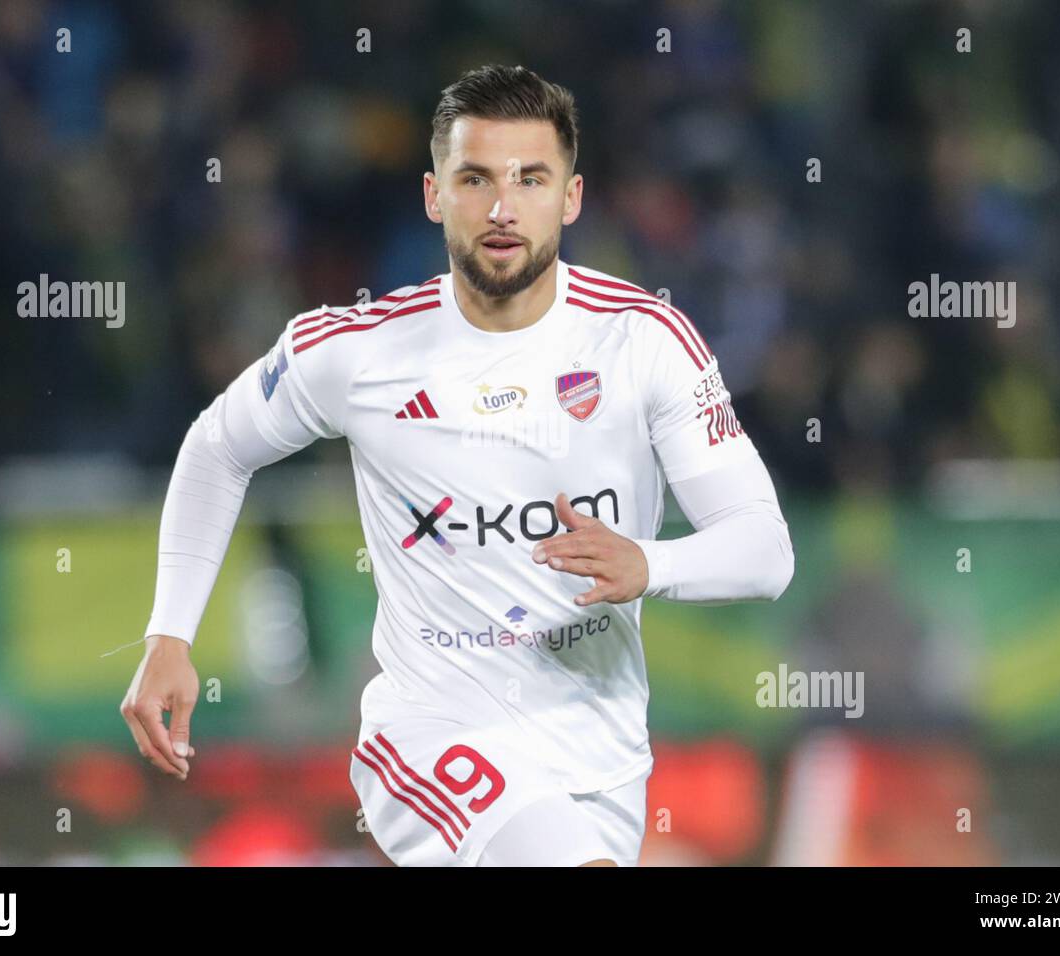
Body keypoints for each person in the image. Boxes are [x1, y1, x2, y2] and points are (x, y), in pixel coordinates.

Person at [120, 64, 794, 867]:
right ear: (435, 195)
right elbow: (216, 447)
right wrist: (170, 635)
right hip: (433, 734)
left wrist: (649, 562)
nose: (503, 209)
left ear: (571, 199)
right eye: (475, 179)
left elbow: (765, 550)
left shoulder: (645, 342)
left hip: (603, 760)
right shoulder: (357, 353)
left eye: (530, 179)